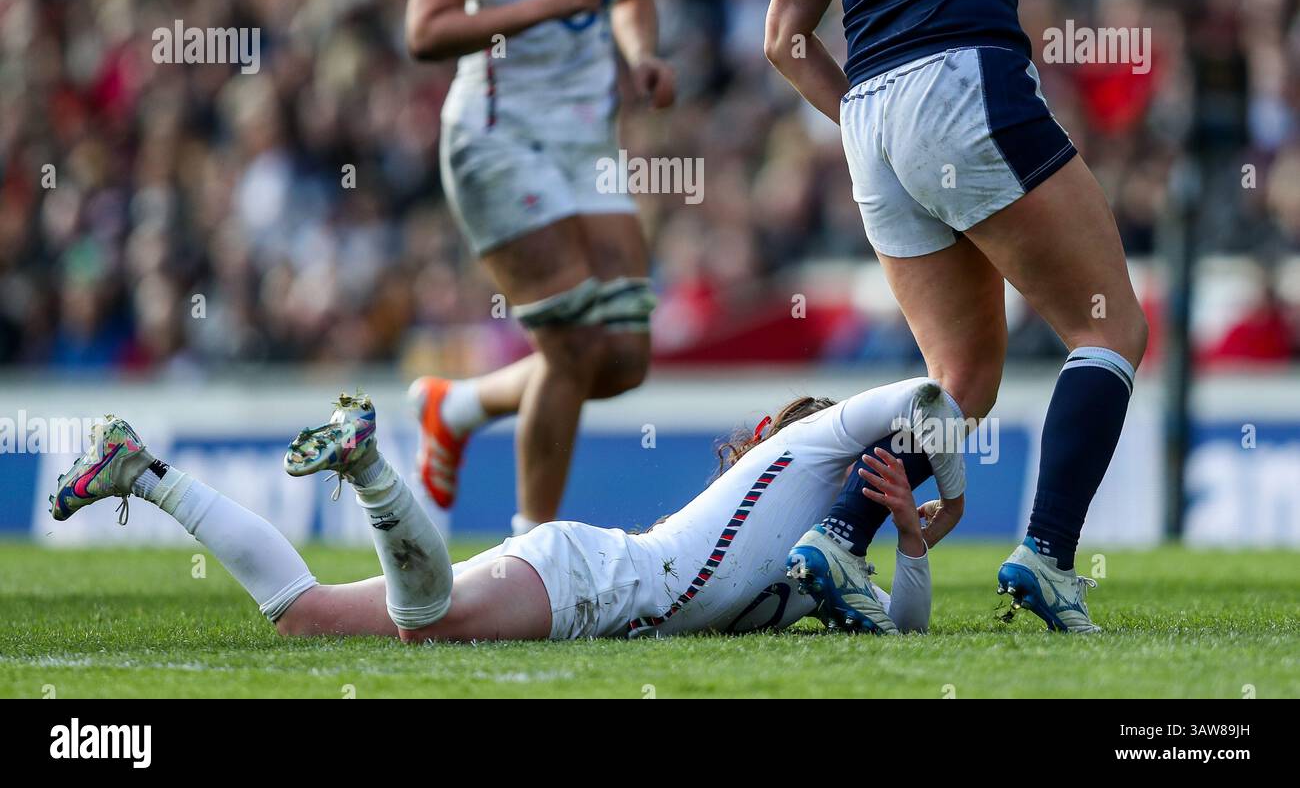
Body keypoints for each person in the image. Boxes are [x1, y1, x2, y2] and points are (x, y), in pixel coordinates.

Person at [766, 0, 1145, 633]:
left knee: (961, 376)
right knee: (1109, 328)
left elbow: (784, 38)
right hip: (958, 79)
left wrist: (860, 112)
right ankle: (1049, 554)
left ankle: (841, 538)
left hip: (872, 121)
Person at [47, 383, 965, 641]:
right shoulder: (802, 449)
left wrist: (917, 538)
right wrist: (956, 493)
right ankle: (367, 463)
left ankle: (140, 470)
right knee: (425, 624)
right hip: (594, 580)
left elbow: (903, 629)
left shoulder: (818, 564)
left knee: (305, 619)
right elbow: (930, 394)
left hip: (597, 581)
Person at [404, 0, 675, 535]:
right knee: (570, 345)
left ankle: (456, 407)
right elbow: (425, 32)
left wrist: (643, 54)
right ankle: (536, 546)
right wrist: (544, 7)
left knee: (623, 358)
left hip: (586, 139)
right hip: (496, 137)